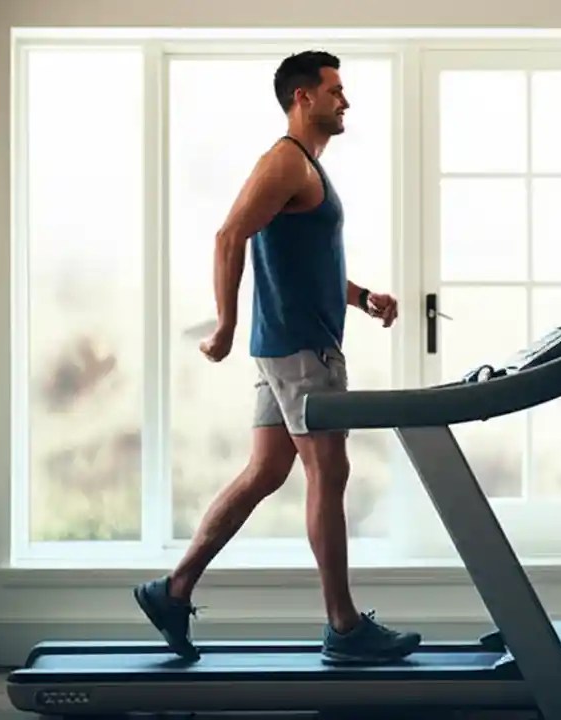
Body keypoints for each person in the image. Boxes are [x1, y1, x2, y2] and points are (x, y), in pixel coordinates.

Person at [133, 50, 422, 666]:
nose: (345, 102)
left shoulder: (307, 168)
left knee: (266, 472)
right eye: (335, 90)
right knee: (329, 475)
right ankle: (344, 627)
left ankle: (173, 589)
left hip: (288, 346)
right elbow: (229, 236)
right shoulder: (286, 162)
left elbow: (301, 261)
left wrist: (362, 296)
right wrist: (226, 325)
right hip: (300, 350)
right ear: (303, 99)